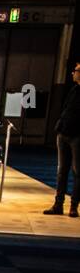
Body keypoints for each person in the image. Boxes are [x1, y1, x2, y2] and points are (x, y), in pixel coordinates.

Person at [44, 61, 80, 217]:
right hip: (63, 133)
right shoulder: (74, 89)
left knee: (78, 172)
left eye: (76, 70)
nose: (73, 73)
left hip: (78, 136)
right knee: (61, 171)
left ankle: (74, 206)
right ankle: (58, 204)